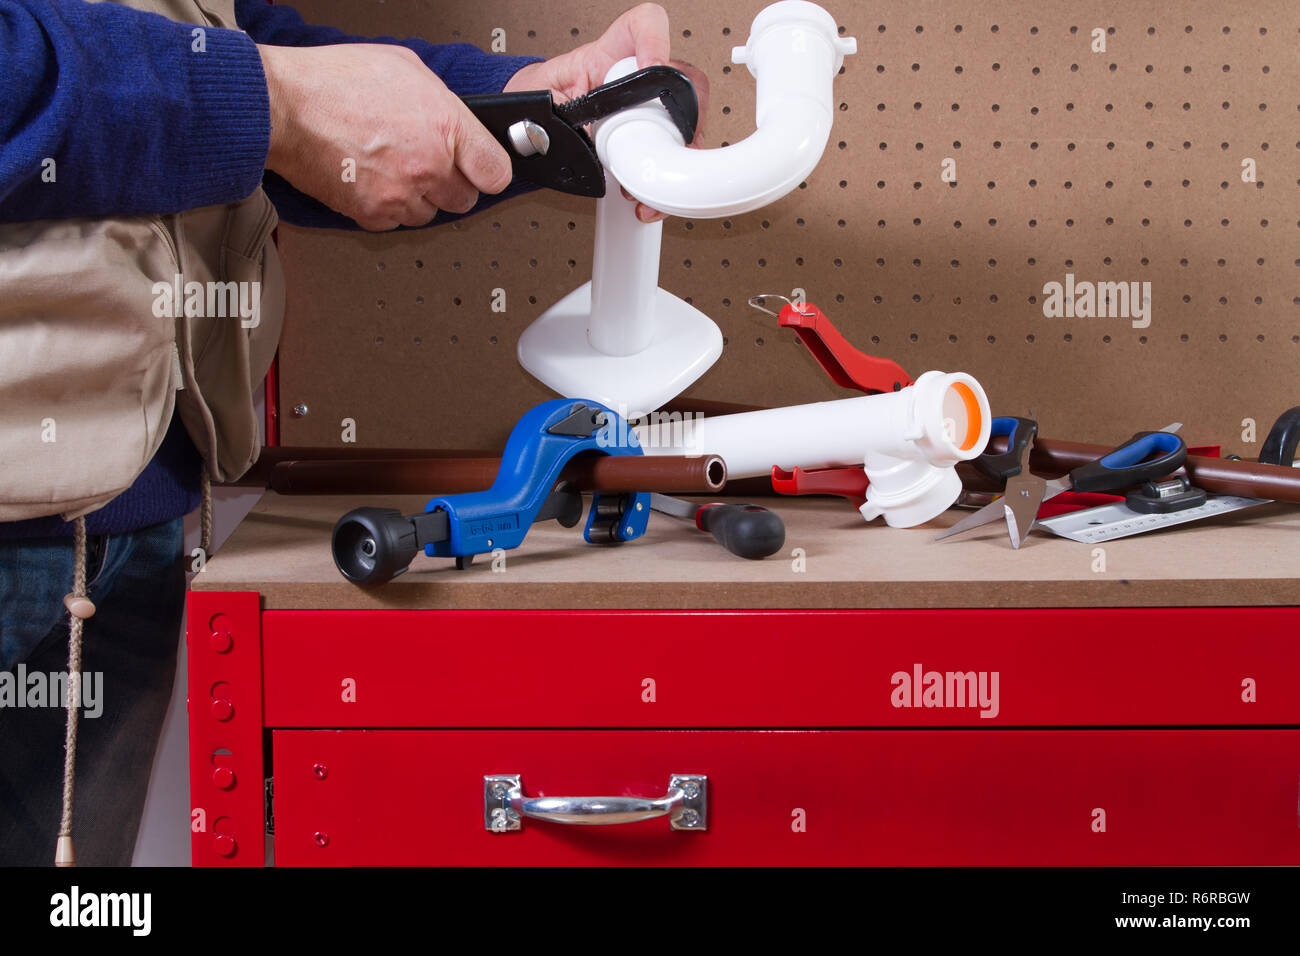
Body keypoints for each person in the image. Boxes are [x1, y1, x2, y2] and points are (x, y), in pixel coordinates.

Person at [0, 0, 704, 866]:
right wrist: (276, 101)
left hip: (124, 515)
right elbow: (243, 80)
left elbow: (212, 35)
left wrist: (526, 109)